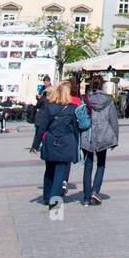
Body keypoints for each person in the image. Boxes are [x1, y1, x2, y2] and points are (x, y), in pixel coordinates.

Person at [33, 81, 81, 211]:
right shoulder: (72, 108)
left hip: (50, 141)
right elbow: (76, 129)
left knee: (49, 170)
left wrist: (35, 145)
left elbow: (42, 127)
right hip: (65, 142)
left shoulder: (50, 107)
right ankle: (54, 198)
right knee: (60, 171)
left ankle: (47, 196)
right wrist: (78, 144)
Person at [80, 75, 119, 207]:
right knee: (101, 164)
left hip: (87, 135)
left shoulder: (85, 99)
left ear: (91, 86)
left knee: (88, 165)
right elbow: (113, 120)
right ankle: (95, 191)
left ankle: (85, 198)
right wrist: (115, 138)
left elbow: (80, 118)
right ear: (102, 86)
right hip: (103, 135)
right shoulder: (108, 100)